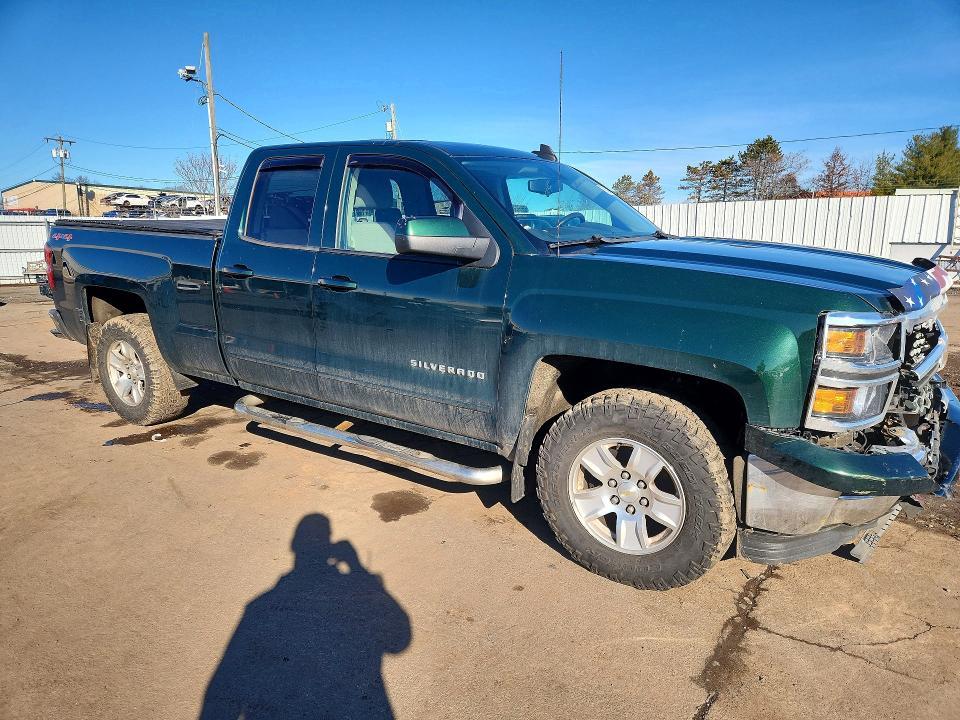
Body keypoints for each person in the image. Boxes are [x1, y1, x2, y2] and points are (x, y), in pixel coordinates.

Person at [199, 514, 411, 719]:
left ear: (294, 546)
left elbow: (223, 686)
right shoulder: (261, 607)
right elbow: (398, 640)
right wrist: (358, 569)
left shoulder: (259, 606)